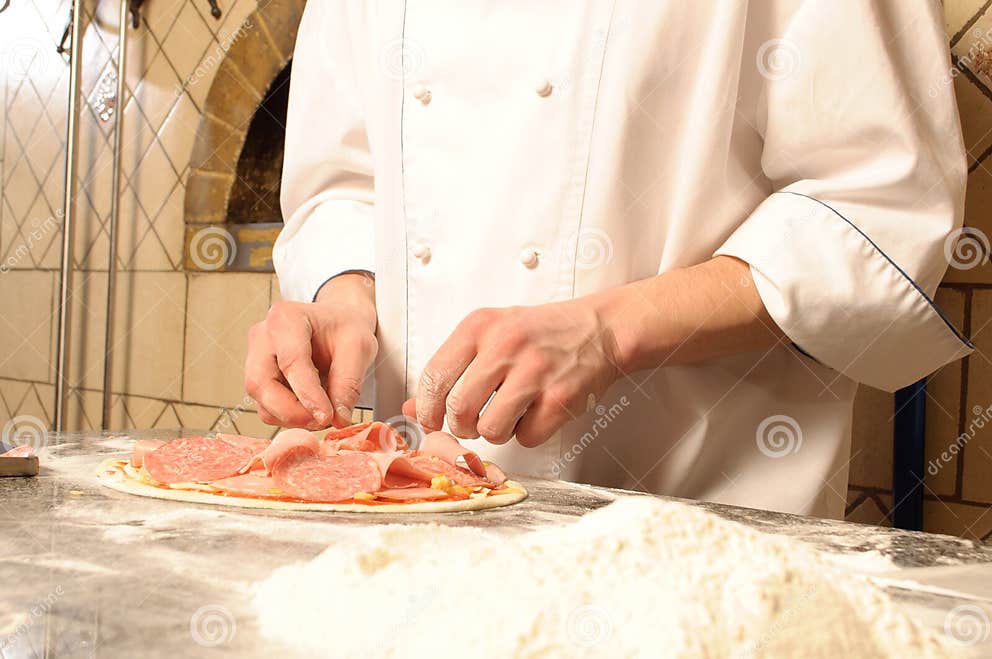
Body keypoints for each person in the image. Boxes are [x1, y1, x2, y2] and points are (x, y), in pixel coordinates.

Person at [245, 1, 971, 518]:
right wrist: (343, 298)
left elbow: (879, 208)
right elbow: (343, 184)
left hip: (697, 521)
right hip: (416, 515)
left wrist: (610, 331)